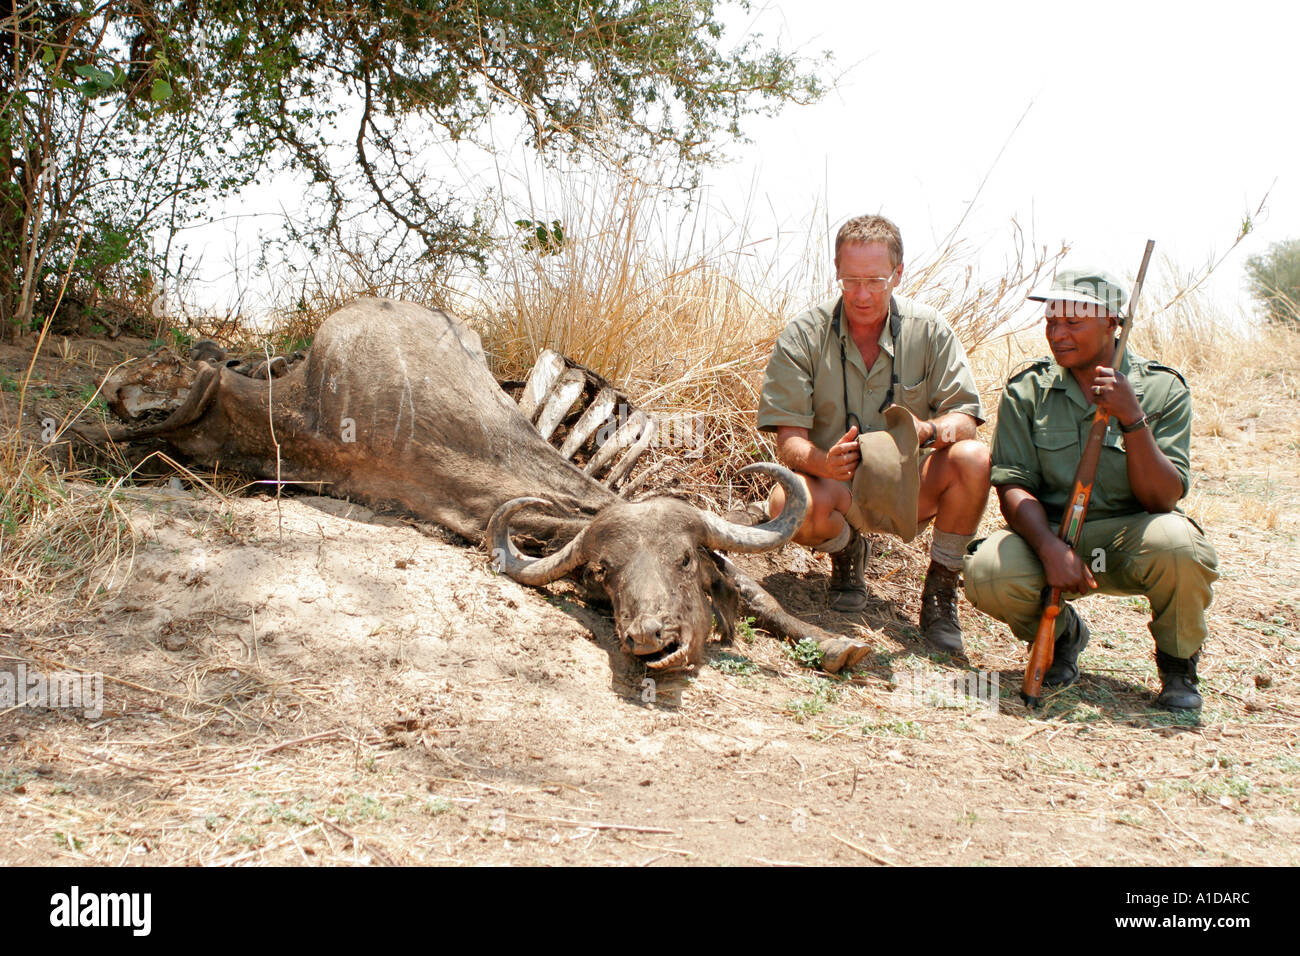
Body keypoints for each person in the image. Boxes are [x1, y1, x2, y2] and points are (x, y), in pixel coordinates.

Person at [962, 266, 1220, 710]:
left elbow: (1163, 498)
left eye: (1073, 323)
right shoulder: (1029, 390)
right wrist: (1048, 548)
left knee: (1180, 546)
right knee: (987, 570)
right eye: (1050, 322)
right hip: (1056, 537)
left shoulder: (1162, 389)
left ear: (1112, 323)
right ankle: (1063, 638)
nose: (1056, 334)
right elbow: (1013, 487)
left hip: (1132, 537)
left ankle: (1179, 666)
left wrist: (1132, 417)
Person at [756, 214, 991, 654]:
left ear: (898, 275)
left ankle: (940, 591)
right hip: (838, 488)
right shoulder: (802, 335)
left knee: (974, 459)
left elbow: (967, 418)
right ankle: (847, 552)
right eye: (850, 280)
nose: (861, 294)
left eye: (876, 281)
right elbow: (788, 442)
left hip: (910, 488)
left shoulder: (931, 330)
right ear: (836, 271)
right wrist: (822, 462)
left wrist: (930, 430)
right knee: (785, 501)